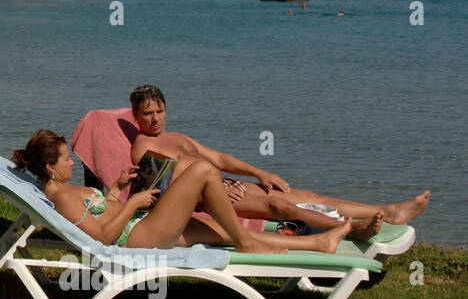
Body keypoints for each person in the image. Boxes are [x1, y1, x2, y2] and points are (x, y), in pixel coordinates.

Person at [127, 85, 429, 233]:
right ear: (136, 116)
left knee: (301, 195)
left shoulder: (179, 137)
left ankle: (387, 210)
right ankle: (350, 229)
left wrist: (260, 173)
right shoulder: (141, 147)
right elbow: (167, 181)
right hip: (208, 195)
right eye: (147, 113)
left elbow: (217, 157)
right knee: (279, 207)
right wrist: (213, 185)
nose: (155, 119)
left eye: (159, 111)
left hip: (227, 183)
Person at [22, 130, 349, 254]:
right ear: (50, 167)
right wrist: (133, 201)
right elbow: (103, 237)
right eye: (66, 158)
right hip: (141, 234)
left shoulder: (67, 189)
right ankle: (248, 243)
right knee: (203, 171)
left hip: (138, 224)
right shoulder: (63, 198)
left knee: (222, 230)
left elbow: (101, 211)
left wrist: (119, 188)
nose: (71, 161)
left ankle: (319, 241)